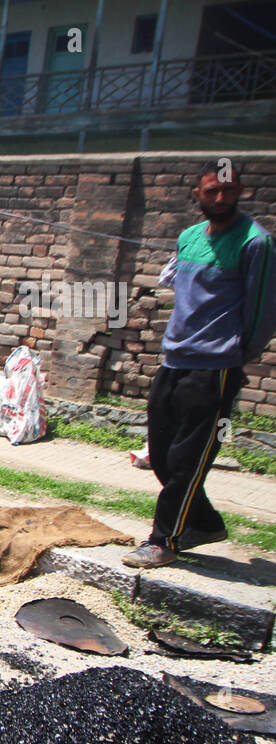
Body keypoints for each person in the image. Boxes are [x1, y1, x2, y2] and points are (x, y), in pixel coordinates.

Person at [123, 160, 275, 568]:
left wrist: (237, 355)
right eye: (212, 191)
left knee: (190, 458)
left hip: (216, 367)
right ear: (198, 194)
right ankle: (205, 523)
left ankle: (164, 539)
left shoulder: (255, 243)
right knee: (162, 452)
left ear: (240, 191)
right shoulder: (189, 237)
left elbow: (263, 312)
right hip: (175, 359)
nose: (221, 198)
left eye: (228, 191)